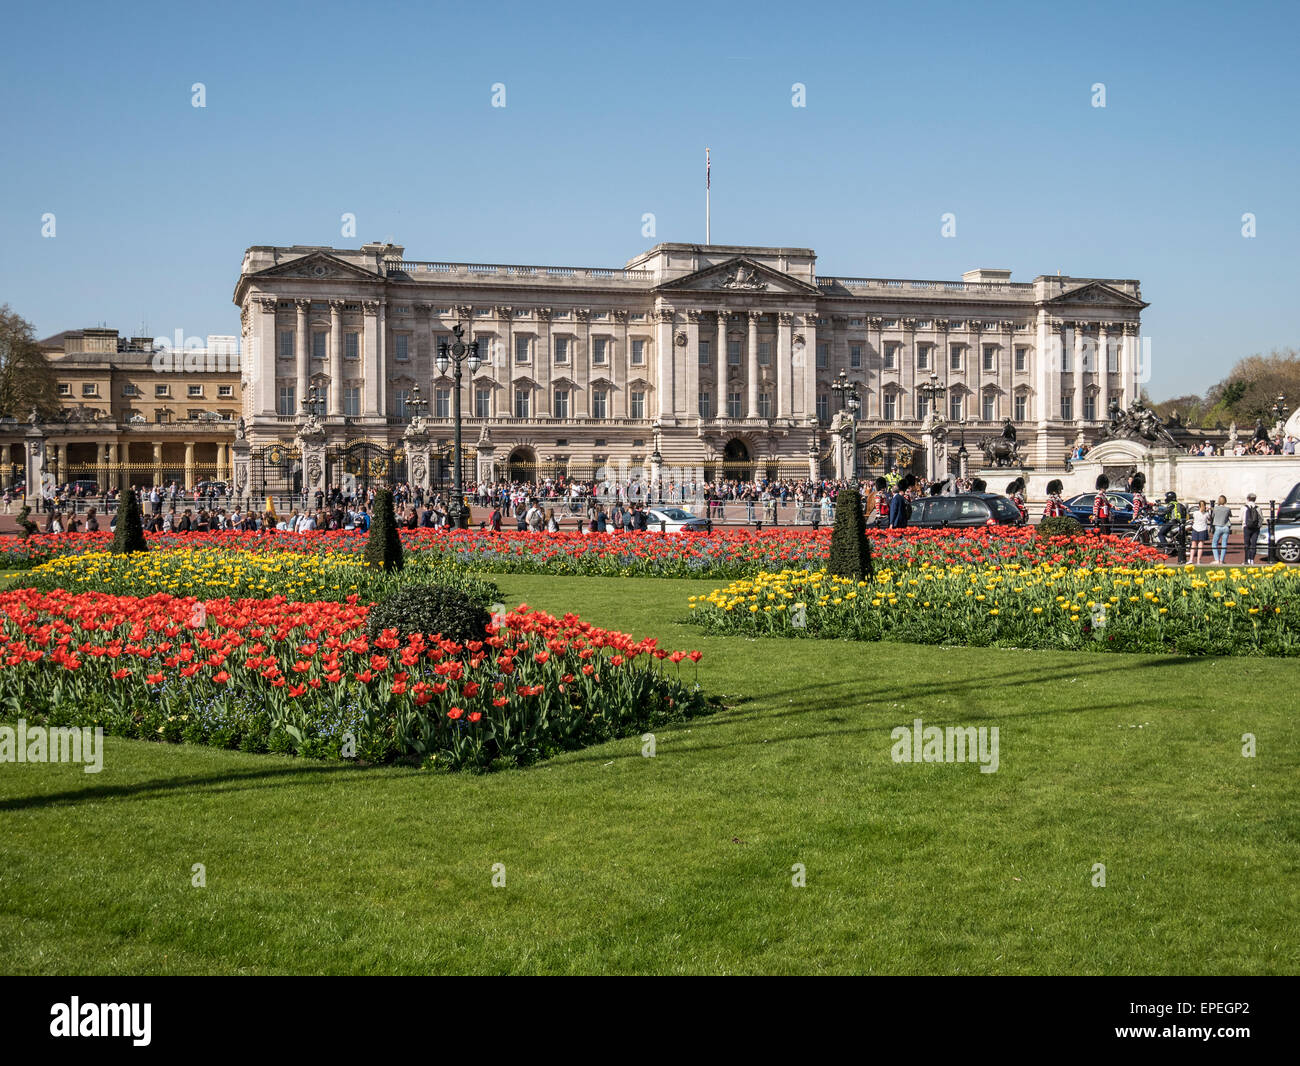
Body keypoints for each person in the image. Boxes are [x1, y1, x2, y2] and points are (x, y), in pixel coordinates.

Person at [1210, 495, 1232, 565]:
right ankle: (1222, 560)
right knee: (1224, 544)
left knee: (1214, 543)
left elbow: (1212, 516)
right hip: (1226, 527)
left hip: (1218, 527)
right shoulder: (1228, 509)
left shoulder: (1215, 508)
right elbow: (1230, 515)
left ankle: (1217, 559)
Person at [1243, 493, 1262, 565]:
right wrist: (1258, 525)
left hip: (1246, 527)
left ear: (1248, 499)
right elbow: (1261, 518)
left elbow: (1240, 518)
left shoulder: (1244, 507)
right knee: (1254, 544)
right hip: (1256, 528)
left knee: (1247, 544)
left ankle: (1246, 560)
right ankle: (1252, 560)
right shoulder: (1258, 508)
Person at [1189, 499, 1210, 564]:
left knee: (1193, 545)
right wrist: (1208, 510)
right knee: (1200, 545)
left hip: (1195, 528)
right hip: (1203, 529)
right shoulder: (1206, 514)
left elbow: (1193, 518)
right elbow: (1209, 518)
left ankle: (1191, 559)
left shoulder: (1195, 513)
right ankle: (1198, 560)